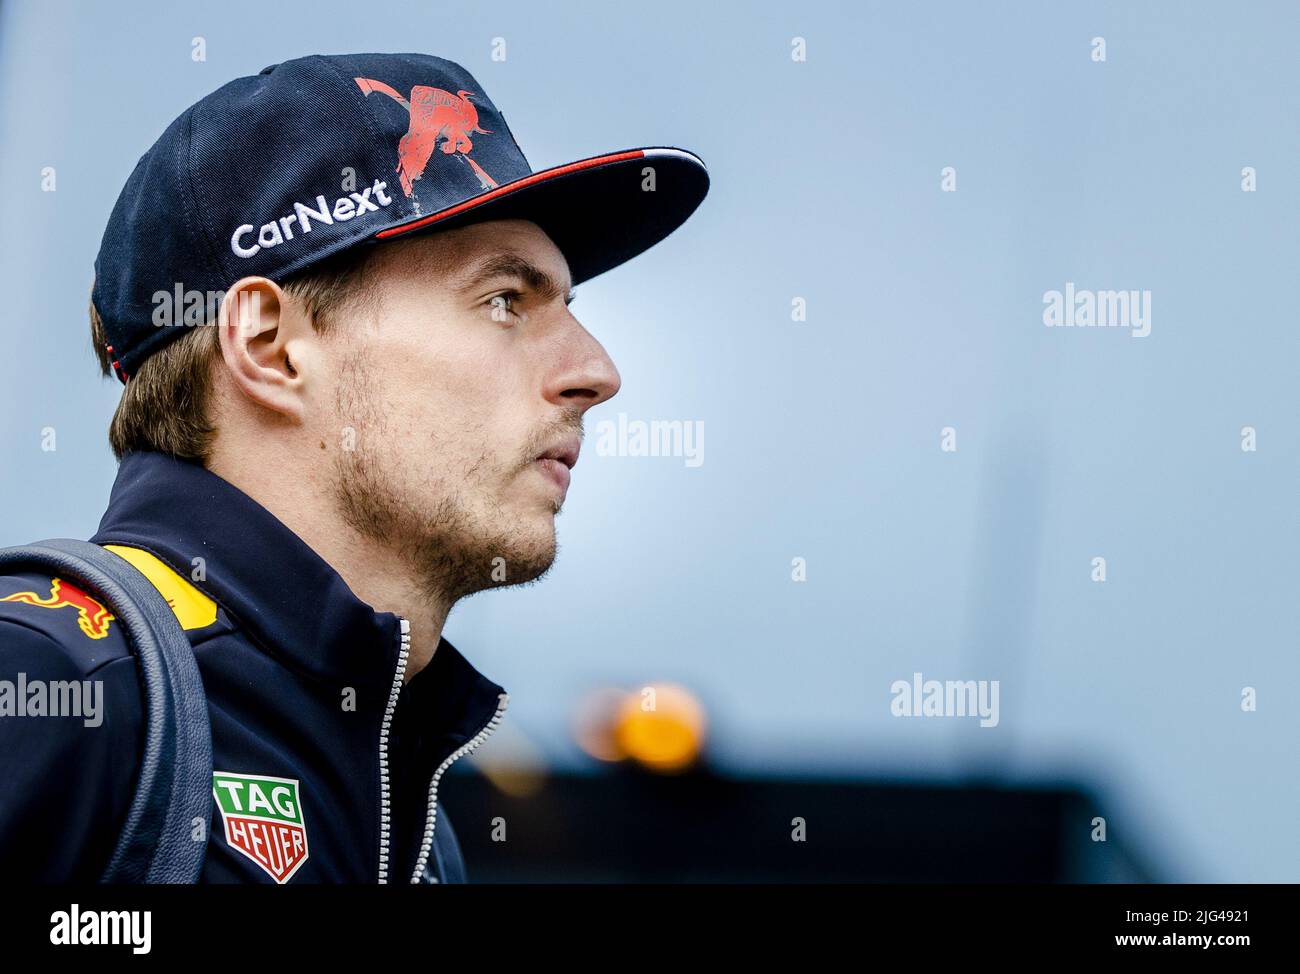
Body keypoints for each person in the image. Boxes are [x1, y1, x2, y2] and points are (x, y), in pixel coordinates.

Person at [0, 51, 708, 883]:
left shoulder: (415, 819)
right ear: (270, 348)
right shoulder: (54, 681)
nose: (597, 373)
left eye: (566, 306)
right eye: (504, 302)